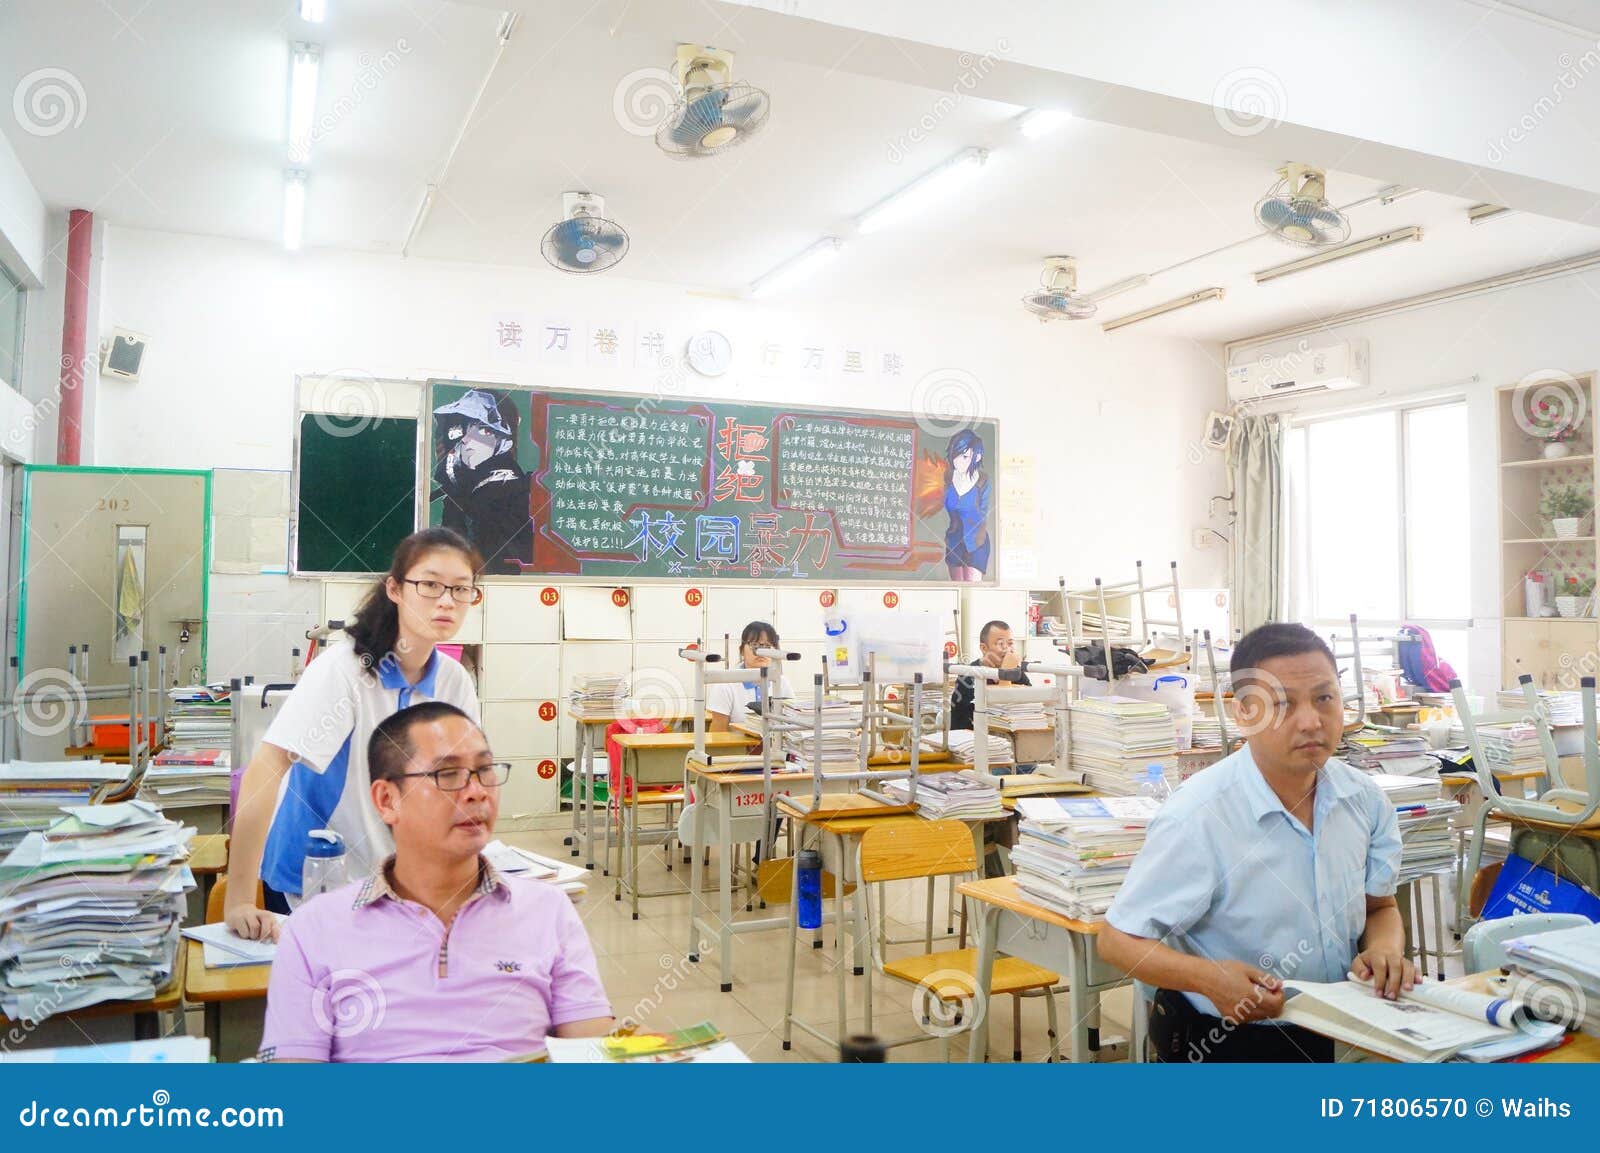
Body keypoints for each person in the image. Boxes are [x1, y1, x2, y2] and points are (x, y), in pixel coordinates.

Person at [1097, 622, 1413, 1063]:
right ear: (1244, 713)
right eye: (1282, 704)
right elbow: (1116, 940)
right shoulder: (1199, 815)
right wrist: (1208, 979)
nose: (1311, 721)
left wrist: (1384, 951)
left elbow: (1380, 907)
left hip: (1342, 1027)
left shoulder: (1365, 800)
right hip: (1227, 1037)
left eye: (1325, 698)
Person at [258, 703, 613, 1061]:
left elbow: (592, 1050)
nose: (477, 792)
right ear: (387, 800)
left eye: (485, 770)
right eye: (448, 774)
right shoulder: (314, 929)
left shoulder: (548, 909)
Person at [225, 527, 484, 941]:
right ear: (396, 590)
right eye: (430, 585)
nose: (447, 601)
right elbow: (268, 765)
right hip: (316, 879)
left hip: (403, 883)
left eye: (461, 589)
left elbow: (460, 787)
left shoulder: (454, 682)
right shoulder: (346, 669)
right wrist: (238, 898)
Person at [432, 388, 533, 575]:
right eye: (465, 427)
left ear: (503, 440)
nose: (468, 440)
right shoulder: (458, 489)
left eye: (484, 430)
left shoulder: (510, 492)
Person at [708, 621, 791, 731]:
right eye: (754, 645)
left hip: (773, 746)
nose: (760, 652)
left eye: (767, 646)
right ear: (742, 650)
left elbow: (791, 722)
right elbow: (718, 734)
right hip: (738, 747)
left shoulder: (781, 682)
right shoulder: (726, 684)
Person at [949, 620, 1030, 732]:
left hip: (1011, 738)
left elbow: (1031, 704)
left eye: (1010, 643)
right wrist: (1005, 673)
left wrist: (1008, 671)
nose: (1007, 649)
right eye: (1000, 644)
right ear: (984, 648)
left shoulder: (1016, 671)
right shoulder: (968, 675)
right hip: (974, 740)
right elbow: (998, 712)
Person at [942, 428, 990, 582]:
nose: (958, 461)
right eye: (956, 455)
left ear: (977, 457)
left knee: (972, 593)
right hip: (953, 541)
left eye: (965, 456)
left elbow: (982, 512)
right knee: (957, 592)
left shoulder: (983, 480)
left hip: (976, 541)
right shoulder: (948, 477)